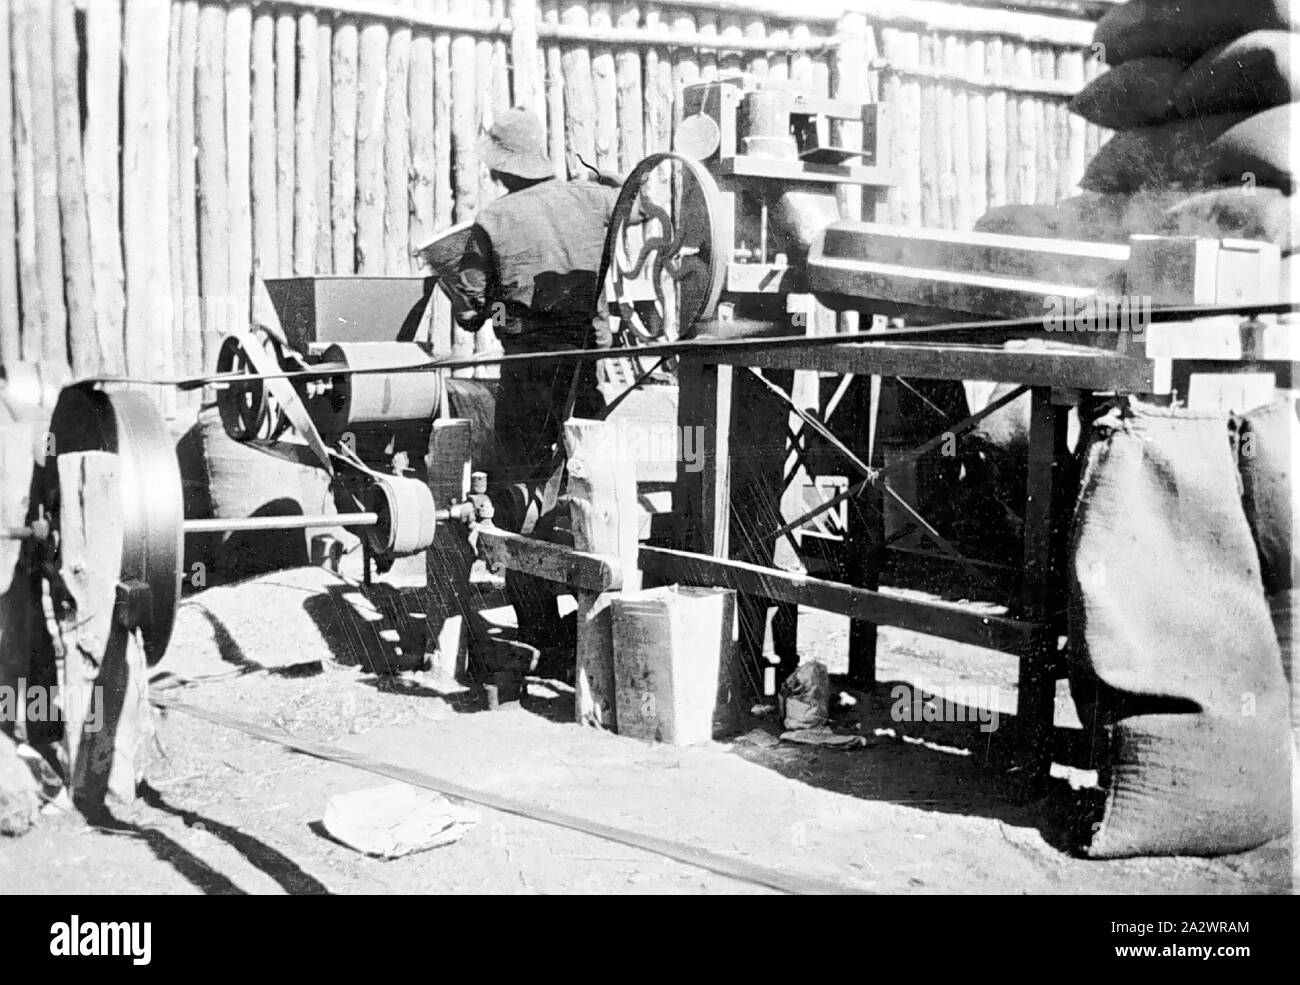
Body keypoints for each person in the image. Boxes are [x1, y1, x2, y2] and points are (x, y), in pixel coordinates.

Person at [441, 108, 623, 665]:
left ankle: (540, 625)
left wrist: (456, 280)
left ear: (500, 169)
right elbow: (640, 210)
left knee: (515, 489)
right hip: (592, 369)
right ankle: (601, 614)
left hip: (530, 372)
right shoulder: (596, 200)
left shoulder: (493, 221)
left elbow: (473, 314)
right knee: (591, 486)